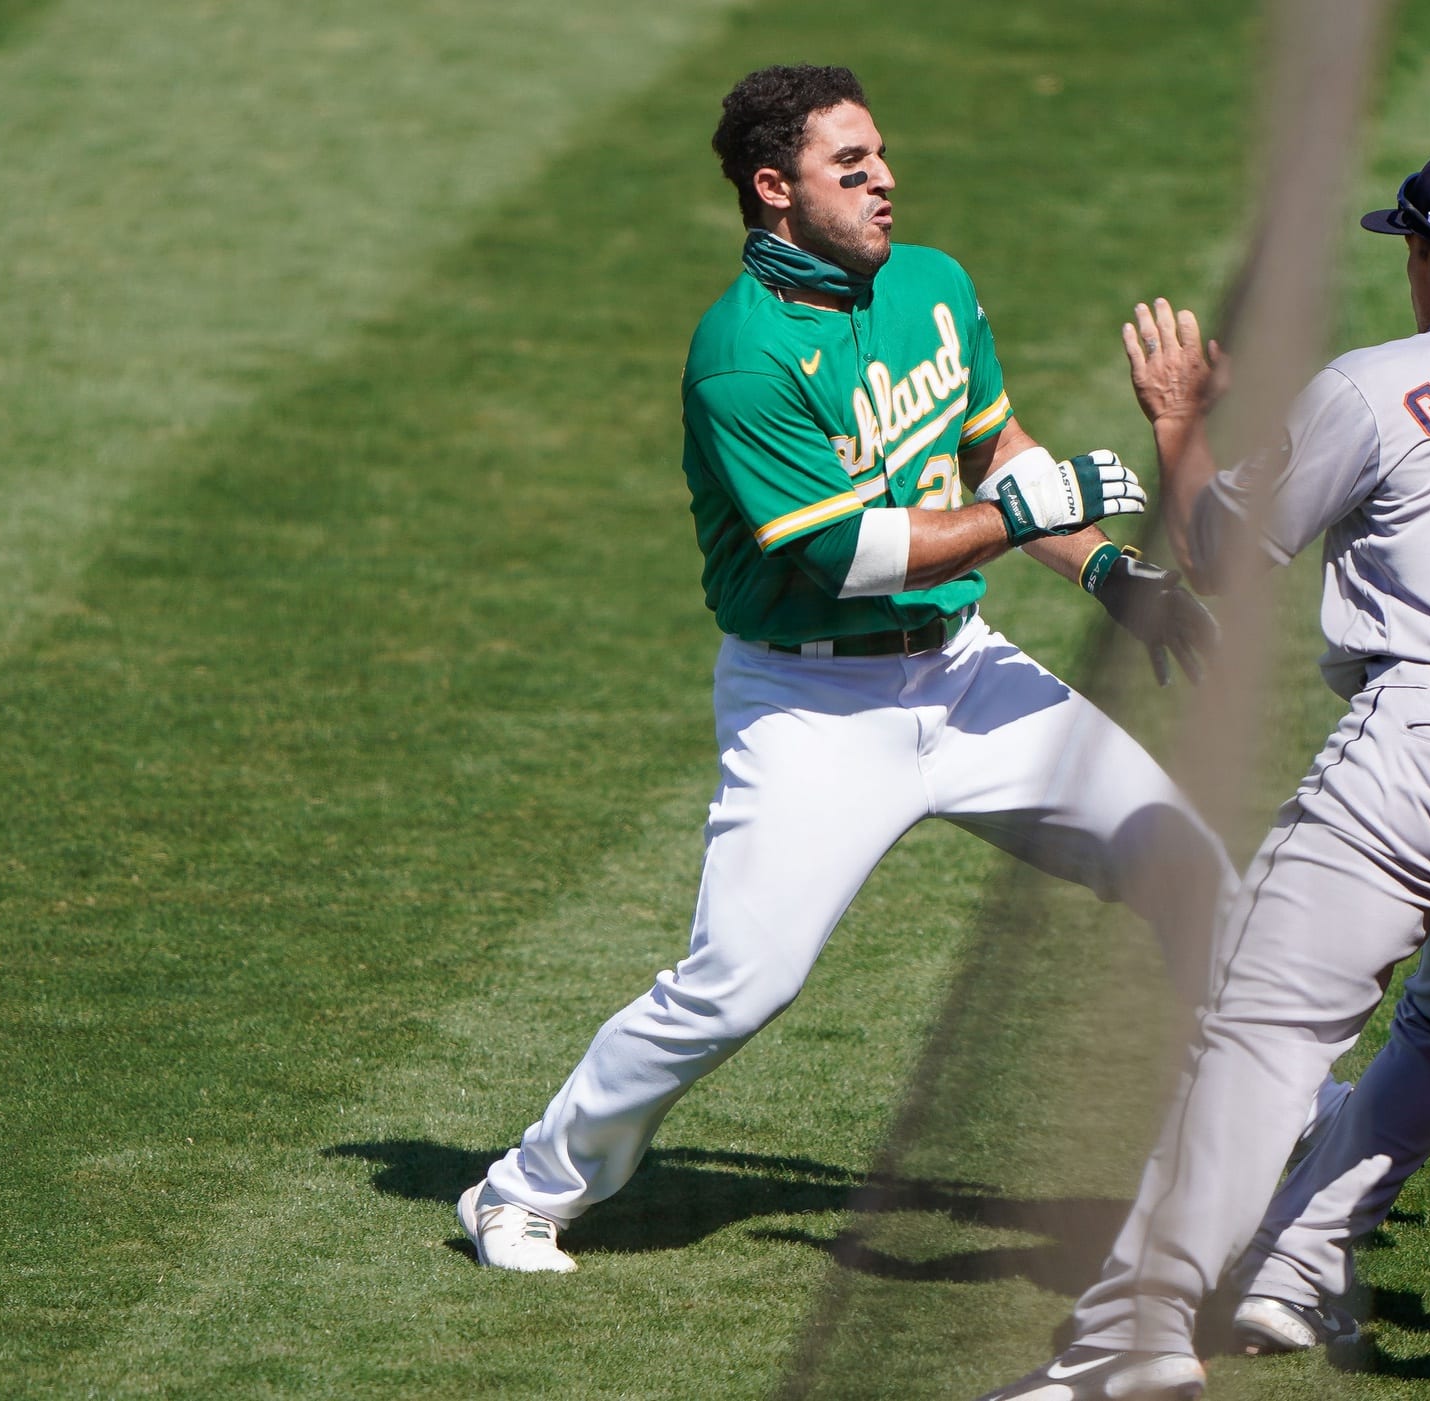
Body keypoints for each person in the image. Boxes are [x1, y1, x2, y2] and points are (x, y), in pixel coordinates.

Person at [456, 63, 1231, 1273]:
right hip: (813, 704)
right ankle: (522, 1189)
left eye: (880, 158)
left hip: (966, 674)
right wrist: (1031, 510)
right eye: (850, 168)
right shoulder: (740, 357)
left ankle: (1299, 1107)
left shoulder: (929, 283)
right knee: (737, 983)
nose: (884, 183)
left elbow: (991, 447)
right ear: (774, 190)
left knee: (1187, 868)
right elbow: (847, 553)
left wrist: (1101, 572)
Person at [977, 144, 1430, 1400]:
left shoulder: (1377, 380)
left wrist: (1179, 420)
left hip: (1424, 746)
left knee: (1258, 1034)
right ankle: (1298, 1275)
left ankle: (1126, 1344)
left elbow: (1218, 556)